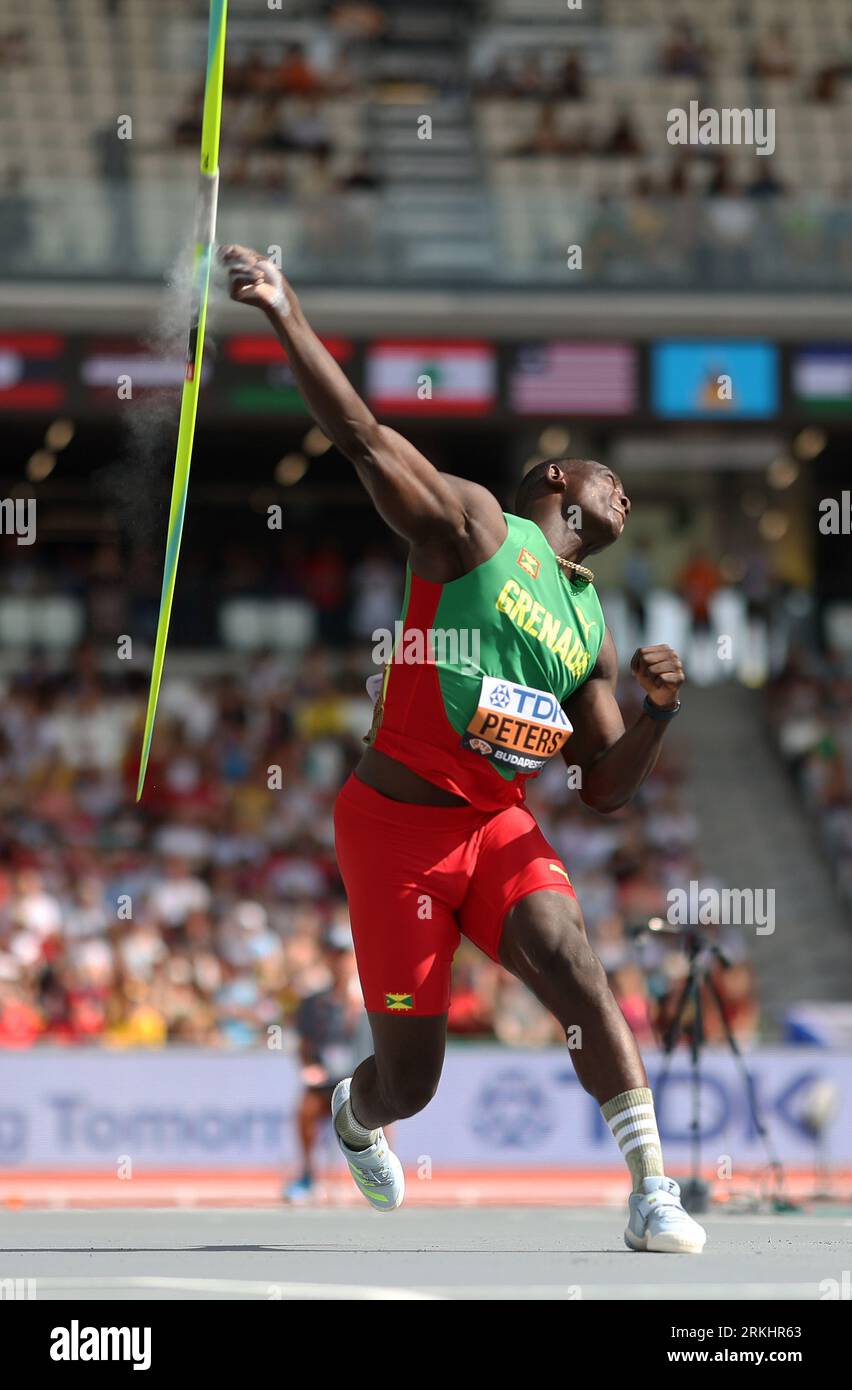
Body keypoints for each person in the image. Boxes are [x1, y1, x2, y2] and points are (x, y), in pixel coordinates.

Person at [220, 243, 707, 1254]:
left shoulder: (590, 621)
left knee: (576, 963)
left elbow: (604, 787)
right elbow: (361, 437)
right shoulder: (479, 528)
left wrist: (657, 710)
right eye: (615, 484)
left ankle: (653, 1190)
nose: (628, 502)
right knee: (413, 1078)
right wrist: (284, 311)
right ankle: (358, 1120)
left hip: (495, 823)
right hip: (395, 829)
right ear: (563, 480)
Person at [285, 923, 363, 1203]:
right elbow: (304, 1047)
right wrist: (309, 1068)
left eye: (344, 953)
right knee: (305, 1109)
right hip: (327, 1081)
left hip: (361, 1081)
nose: (339, 960)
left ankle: (375, 1174)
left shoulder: (370, 1000)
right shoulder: (312, 1002)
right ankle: (308, 1174)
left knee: (383, 1113)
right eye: (334, 953)